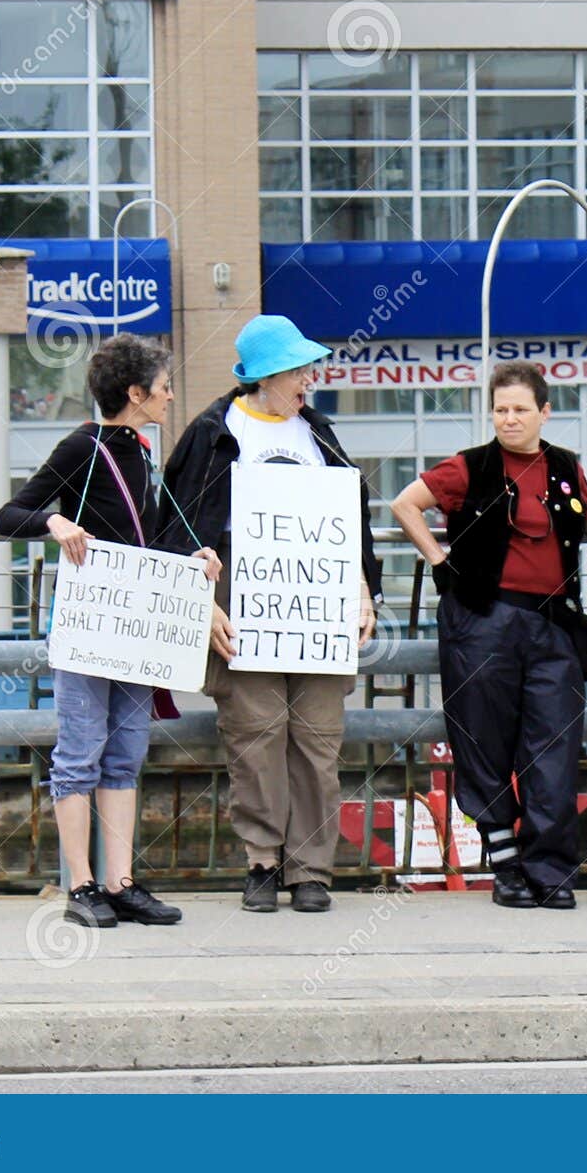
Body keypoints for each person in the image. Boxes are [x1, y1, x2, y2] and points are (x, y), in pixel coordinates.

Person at [153, 314, 381, 915]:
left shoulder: (321, 435)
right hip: (238, 601)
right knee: (254, 736)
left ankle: (312, 870)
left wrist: (364, 588)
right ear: (269, 375)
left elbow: (352, 525)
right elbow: (174, 526)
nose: (310, 378)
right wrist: (199, 603)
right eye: (300, 369)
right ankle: (262, 862)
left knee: (317, 739)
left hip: (319, 602)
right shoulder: (213, 432)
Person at [0, 334, 221, 929]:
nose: (171, 396)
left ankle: (120, 883)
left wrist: (196, 558)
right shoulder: (82, 447)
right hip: (89, 625)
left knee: (124, 754)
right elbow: (9, 515)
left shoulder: (143, 453)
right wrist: (54, 521)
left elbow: (154, 532)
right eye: (165, 387)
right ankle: (82, 885)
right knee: (79, 753)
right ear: (136, 393)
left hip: (137, 626)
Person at [392, 361, 587, 910]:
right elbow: (406, 504)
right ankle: (506, 864)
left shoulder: (565, 466)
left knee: (553, 746)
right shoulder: (469, 467)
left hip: (553, 623)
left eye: (521, 409)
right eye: (500, 409)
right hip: (482, 620)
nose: (509, 419)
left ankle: (550, 870)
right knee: (483, 738)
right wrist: (439, 560)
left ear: (545, 412)